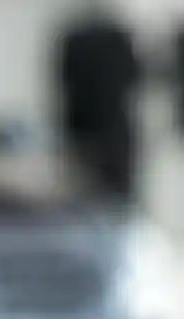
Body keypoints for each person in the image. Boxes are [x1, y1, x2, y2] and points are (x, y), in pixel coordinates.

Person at [57, 7, 141, 199]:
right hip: (114, 126)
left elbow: (63, 81)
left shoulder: (73, 39)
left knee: (81, 189)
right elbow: (134, 77)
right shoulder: (119, 38)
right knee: (118, 194)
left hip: (80, 126)